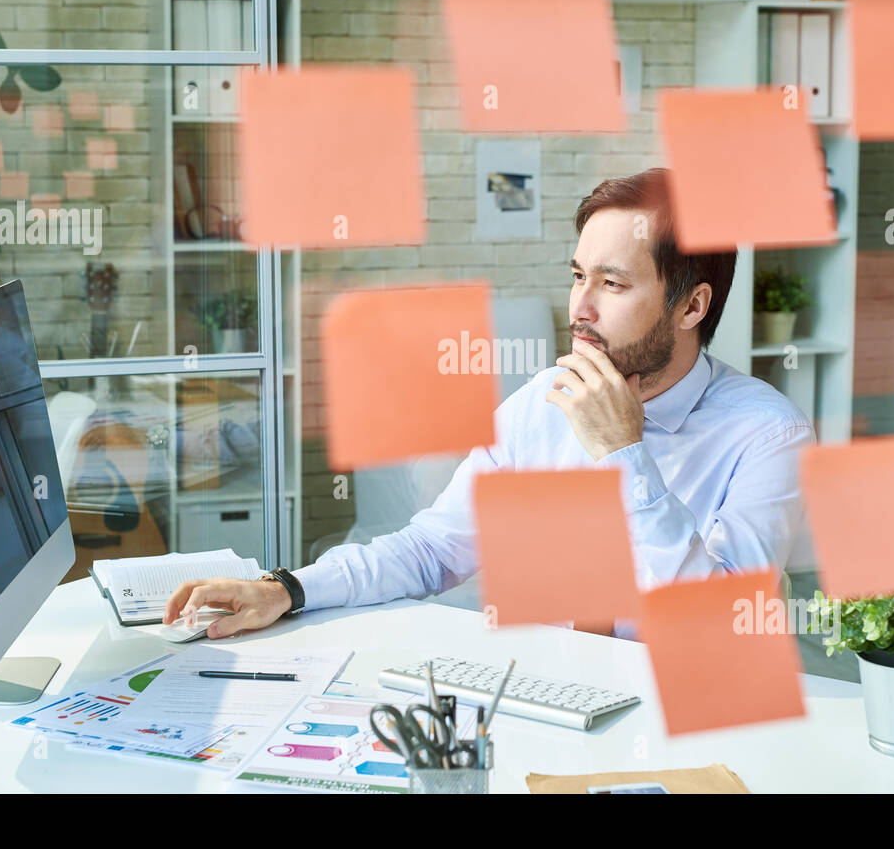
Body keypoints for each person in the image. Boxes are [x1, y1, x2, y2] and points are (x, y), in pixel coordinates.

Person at [165, 168, 815, 641]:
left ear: (692, 306)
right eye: (577, 276)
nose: (579, 308)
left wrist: (625, 454)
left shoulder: (766, 435)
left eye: (612, 283)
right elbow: (432, 550)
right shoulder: (541, 403)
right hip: (548, 692)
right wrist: (287, 588)